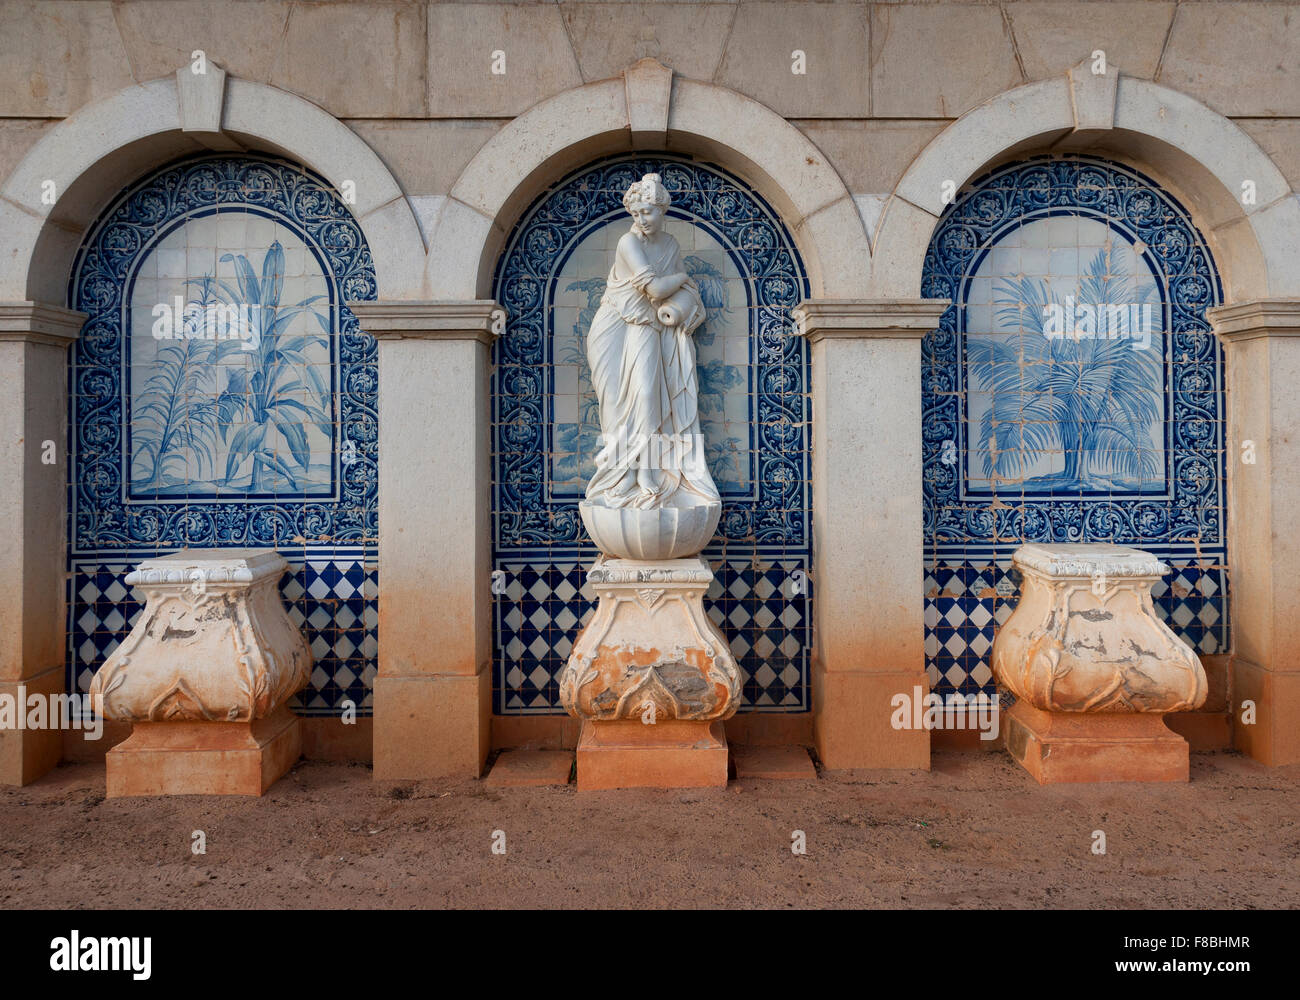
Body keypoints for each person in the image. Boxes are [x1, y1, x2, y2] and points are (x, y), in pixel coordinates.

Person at [585, 173, 720, 510]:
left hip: (646, 324)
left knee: (647, 396)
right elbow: (657, 290)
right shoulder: (628, 243)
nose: (641, 220)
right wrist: (684, 277)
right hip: (613, 327)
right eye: (636, 214)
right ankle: (622, 476)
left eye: (647, 212)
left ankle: (649, 471)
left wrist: (677, 295)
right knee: (616, 408)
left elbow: (665, 297)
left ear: (662, 210)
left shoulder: (670, 245)